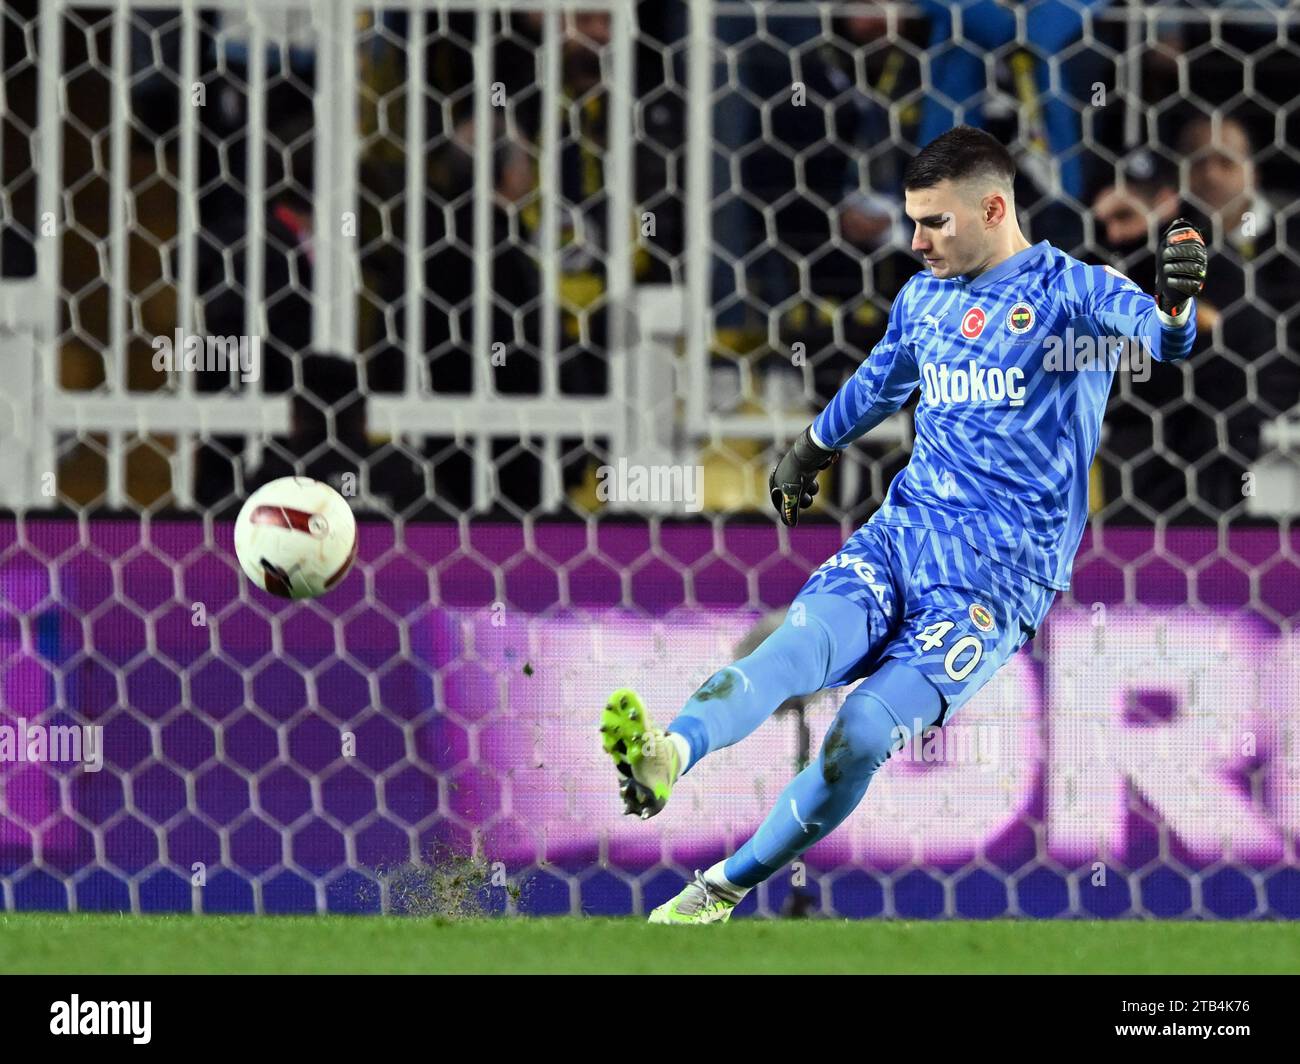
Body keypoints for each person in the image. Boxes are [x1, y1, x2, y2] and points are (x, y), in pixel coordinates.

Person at [598, 127, 1208, 923]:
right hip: (904, 536)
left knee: (859, 732)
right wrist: (811, 449)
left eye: (935, 223)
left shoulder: (1074, 292)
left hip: (995, 585)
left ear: (993, 208)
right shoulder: (924, 299)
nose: (916, 241)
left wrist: (1178, 303)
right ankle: (668, 754)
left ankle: (722, 887)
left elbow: (1162, 340)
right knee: (795, 650)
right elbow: (881, 380)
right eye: (913, 221)